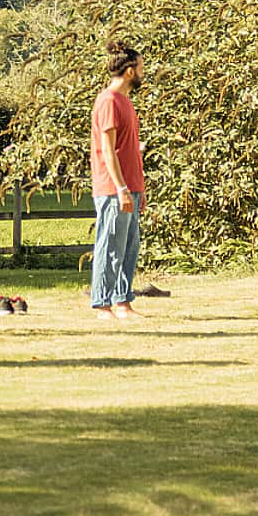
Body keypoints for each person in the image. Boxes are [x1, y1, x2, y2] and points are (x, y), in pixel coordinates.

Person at [90, 40, 148, 320]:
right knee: (110, 244)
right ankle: (102, 303)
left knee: (128, 247)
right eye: (140, 67)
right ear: (129, 71)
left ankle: (123, 301)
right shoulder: (108, 102)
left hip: (131, 187)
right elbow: (107, 149)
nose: (143, 72)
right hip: (114, 188)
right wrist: (121, 188)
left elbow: (130, 150)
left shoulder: (125, 102)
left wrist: (138, 188)